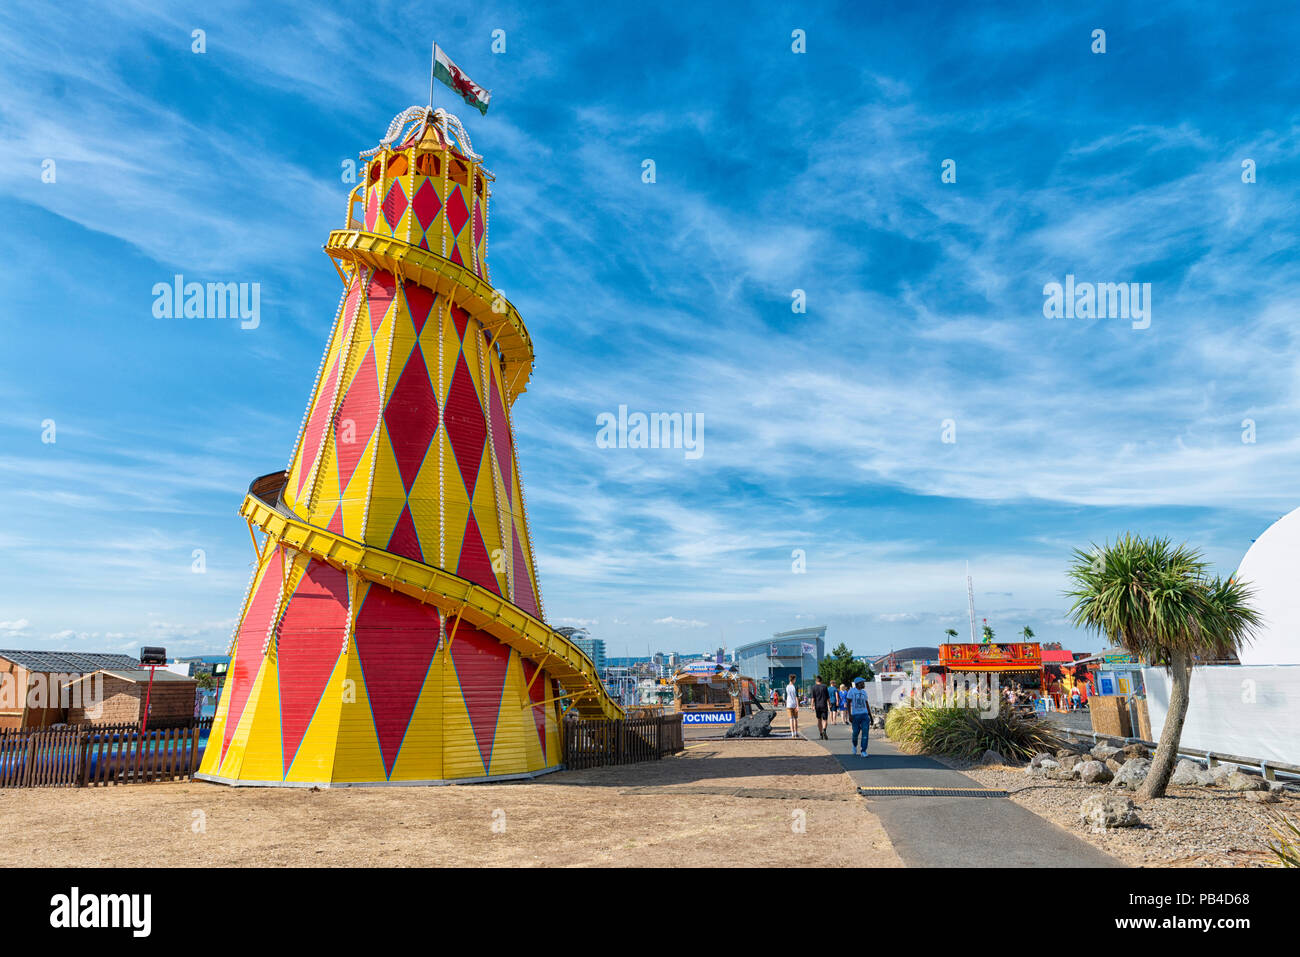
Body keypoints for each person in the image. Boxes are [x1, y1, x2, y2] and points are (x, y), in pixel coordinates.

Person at [846, 676, 872, 756]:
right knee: (855, 733)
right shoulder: (851, 691)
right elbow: (848, 703)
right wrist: (849, 715)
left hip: (864, 715)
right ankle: (854, 745)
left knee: (865, 733)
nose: (864, 684)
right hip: (855, 715)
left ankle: (863, 750)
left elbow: (866, 704)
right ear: (858, 684)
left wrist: (870, 716)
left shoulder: (864, 692)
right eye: (862, 683)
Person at [810, 674, 831, 739]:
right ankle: (824, 730)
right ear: (821, 681)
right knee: (825, 720)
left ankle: (821, 734)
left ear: (816, 681)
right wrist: (829, 704)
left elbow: (813, 698)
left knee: (819, 720)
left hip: (817, 706)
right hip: (824, 705)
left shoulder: (814, 687)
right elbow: (828, 697)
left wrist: (812, 705)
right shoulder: (825, 687)